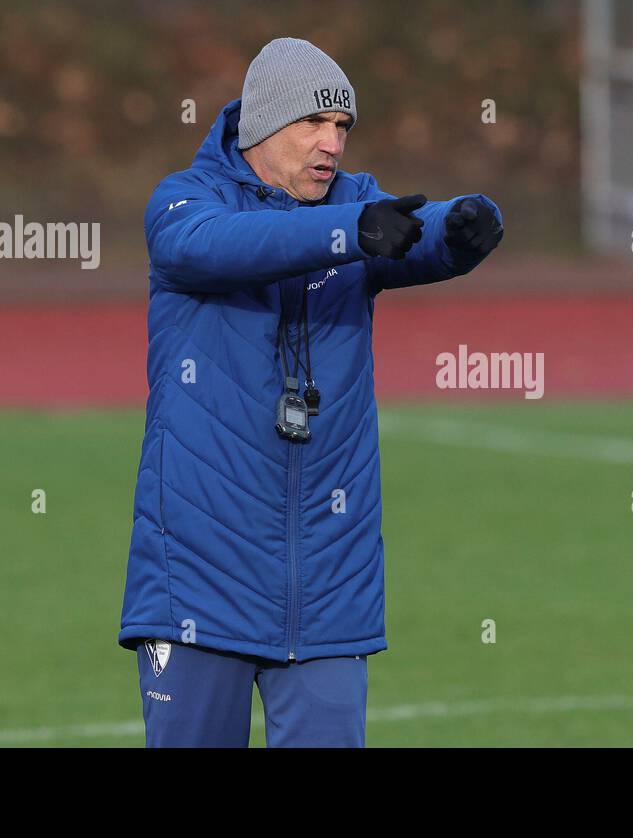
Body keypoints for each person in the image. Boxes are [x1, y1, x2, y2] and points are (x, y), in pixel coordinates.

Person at [118, 37, 504, 747]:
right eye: (313, 124)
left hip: (329, 581)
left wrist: (465, 224)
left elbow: (413, 230)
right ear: (261, 125)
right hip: (199, 579)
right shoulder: (183, 202)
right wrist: (348, 232)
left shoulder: (356, 203)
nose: (332, 144)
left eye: (342, 128)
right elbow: (219, 246)